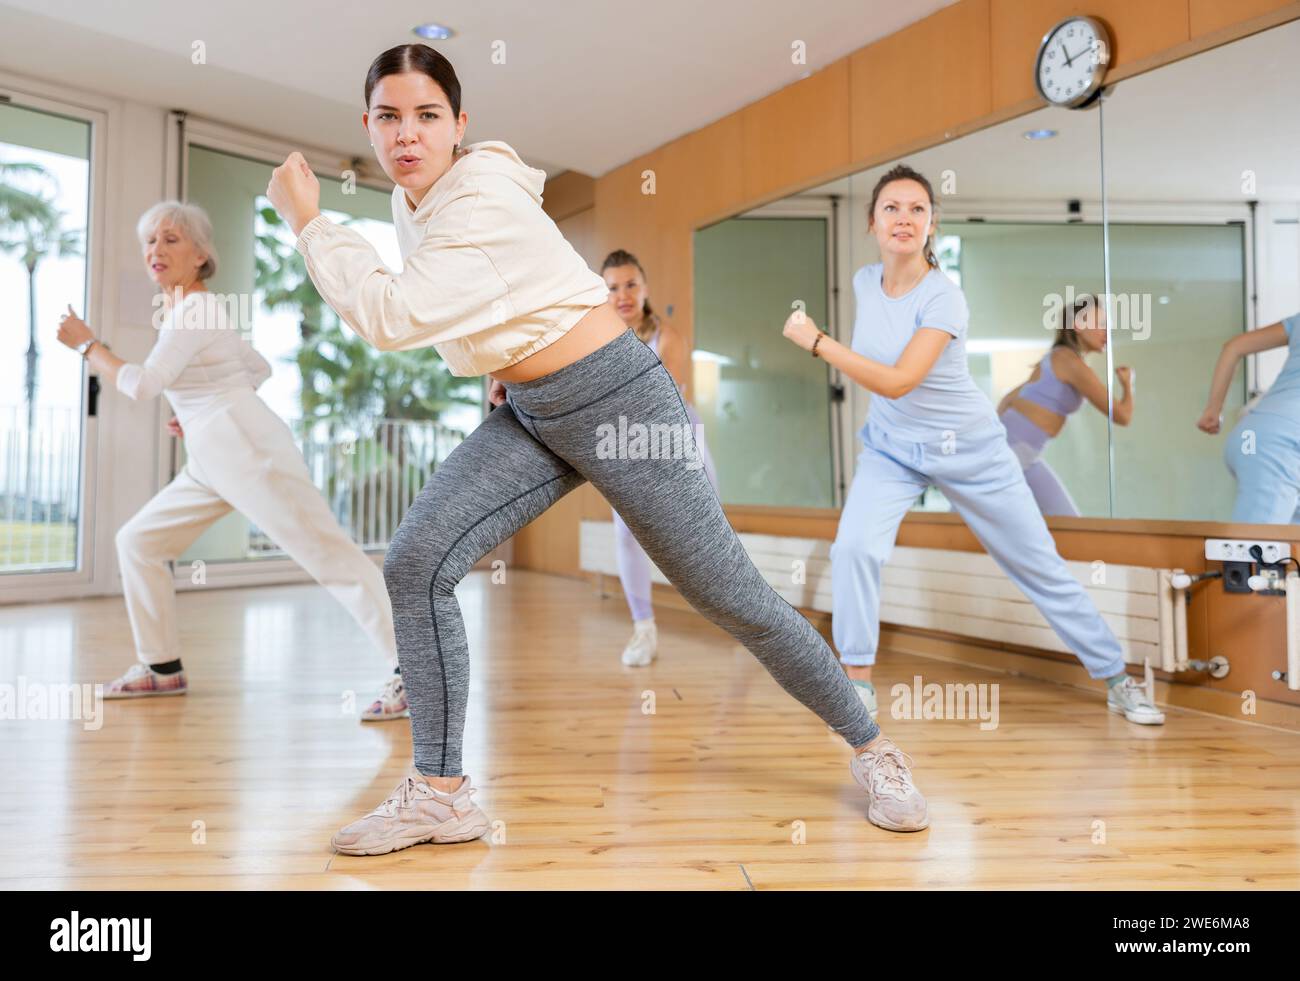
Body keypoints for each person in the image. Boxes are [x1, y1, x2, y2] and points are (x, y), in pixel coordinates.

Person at [266, 43, 933, 853]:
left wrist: (309, 221)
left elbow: (393, 317)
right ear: (368, 125)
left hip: (620, 398)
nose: (408, 134)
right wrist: (496, 363)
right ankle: (441, 795)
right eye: (389, 117)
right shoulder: (417, 205)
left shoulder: (477, 194)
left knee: (733, 599)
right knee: (416, 560)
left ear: (460, 125)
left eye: (428, 115)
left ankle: (874, 747)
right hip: (533, 409)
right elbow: (488, 298)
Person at [780, 164, 1164, 728]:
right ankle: (855, 682)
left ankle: (1116, 679)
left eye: (917, 209)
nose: (904, 219)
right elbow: (887, 377)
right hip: (890, 449)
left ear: (932, 223)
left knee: (1037, 565)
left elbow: (899, 379)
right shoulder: (865, 282)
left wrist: (816, 341)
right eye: (892, 208)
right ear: (872, 222)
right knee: (854, 548)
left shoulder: (945, 299)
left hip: (972, 451)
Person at [55, 201, 402, 720]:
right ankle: (161, 667)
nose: (156, 249)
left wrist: (89, 347)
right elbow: (255, 367)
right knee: (139, 541)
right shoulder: (186, 310)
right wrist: (197, 412)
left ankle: (415, 674)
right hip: (212, 453)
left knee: (329, 555)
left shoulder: (196, 308)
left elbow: (143, 383)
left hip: (249, 451)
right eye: (150, 240)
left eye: (172, 240)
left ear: (200, 255)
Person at [600, 248, 719, 665]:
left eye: (631, 284)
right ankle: (643, 630)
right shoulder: (597, 341)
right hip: (626, 444)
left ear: (645, 288)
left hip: (677, 439)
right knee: (625, 534)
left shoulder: (666, 337)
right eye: (612, 287)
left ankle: (749, 620)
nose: (623, 294)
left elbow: (665, 398)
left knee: (709, 536)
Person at [997, 293, 1134, 517]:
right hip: (1008, 453)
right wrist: (1129, 385)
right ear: (1078, 325)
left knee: (1069, 521)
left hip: (1027, 456)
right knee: (970, 520)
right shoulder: (1068, 361)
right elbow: (1122, 415)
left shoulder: (1059, 359)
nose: (1105, 332)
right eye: (1100, 324)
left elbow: (1009, 398)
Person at [1198, 314, 1300, 523]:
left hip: (1256, 436)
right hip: (1278, 446)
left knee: (1286, 547)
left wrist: (1213, 410)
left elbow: (1234, 346)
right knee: (1256, 548)